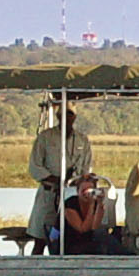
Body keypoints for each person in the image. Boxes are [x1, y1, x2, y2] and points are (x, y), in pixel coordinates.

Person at [26, 99, 91, 255]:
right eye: (63, 114)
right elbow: (35, 167)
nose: (67, 117)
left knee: (70, 238)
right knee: (40, 240)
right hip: (49, 194)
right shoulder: (45, 137)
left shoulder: (82, 140)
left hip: (72, 195)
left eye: (70, 114)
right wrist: (57, 180)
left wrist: (78, 181)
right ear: (58, 116)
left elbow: (86, 168)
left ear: (75, 117)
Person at [61, 171, 120, 255]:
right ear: (77, 191)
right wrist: (91, 205)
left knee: (105, 235)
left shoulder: (96, 203)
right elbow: (83, 229)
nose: (87, 194)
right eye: (83, 191)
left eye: (90, 190)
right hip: (71, 242)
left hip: (88, 241)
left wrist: (99, 204)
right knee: (100, 242)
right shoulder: (70, 203)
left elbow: (94, 227)